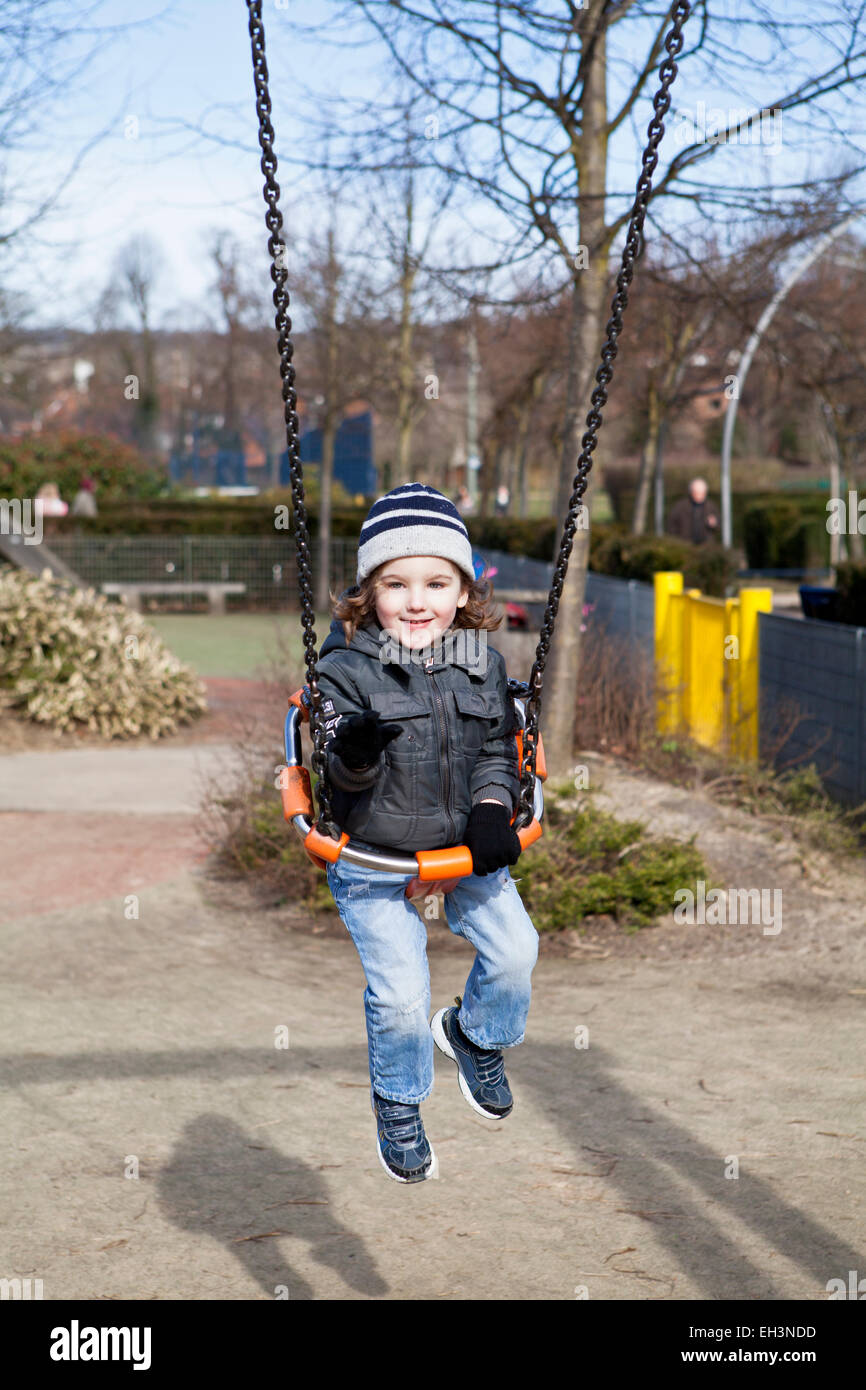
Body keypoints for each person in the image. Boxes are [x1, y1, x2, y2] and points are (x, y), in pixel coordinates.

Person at [314, 482, 539, 1184]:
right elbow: (334, 780)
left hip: (463, 846)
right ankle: (402, 1103)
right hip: (374, 857)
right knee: (402, 995)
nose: (418, 601)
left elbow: (501, 748)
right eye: (396, 583)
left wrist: (491, 811)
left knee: (515, 952)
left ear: (463, 590)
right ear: (368, 591)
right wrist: (352, 754)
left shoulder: (484, 665)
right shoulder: (343, 673)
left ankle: (476, 1036)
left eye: (437, 582)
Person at [666, 477, 720, 544]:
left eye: (702, 494)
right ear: (691, 492)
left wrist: (714, 523)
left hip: (705, 546)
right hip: (685, 544)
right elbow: (671, 524)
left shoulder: (711, 506)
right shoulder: (680, 506)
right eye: (696, 493)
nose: (699, 496)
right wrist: (677, 539)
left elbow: (718, 524)